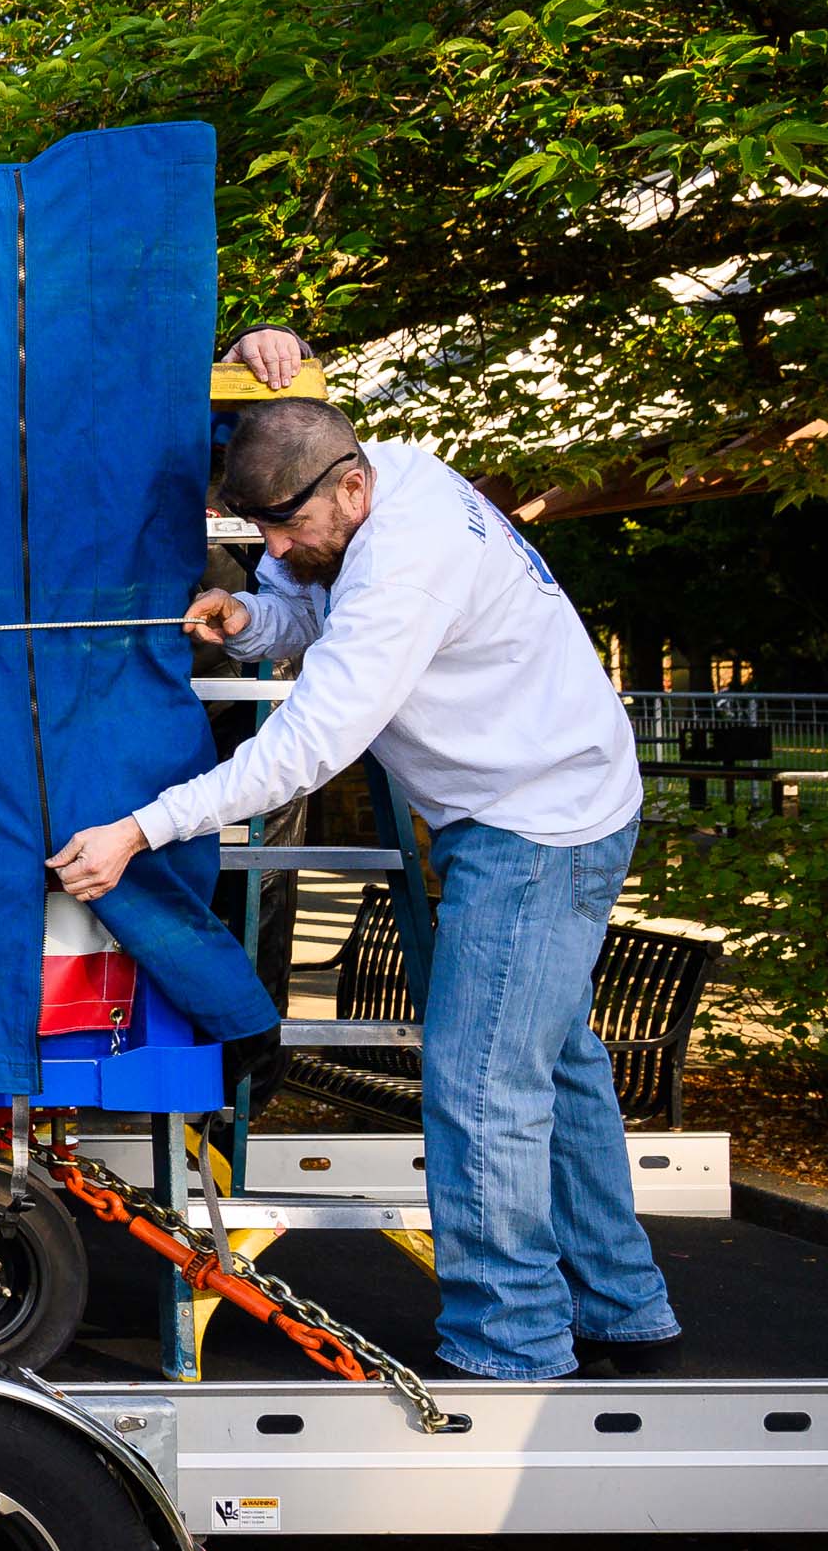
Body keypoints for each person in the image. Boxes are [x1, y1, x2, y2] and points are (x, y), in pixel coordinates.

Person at [47, 357, 680, 1385]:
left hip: (537, 828)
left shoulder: (408, 560)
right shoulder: (376, 483)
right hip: (538, 806)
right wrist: (252, 623)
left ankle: (508, 1344)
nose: (276, 552)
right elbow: (310, 608)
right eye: (259, 537)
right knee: (555, 1074)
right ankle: (623, 1304)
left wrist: (138, 829)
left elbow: (307, 745)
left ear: (346, 490)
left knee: (481, 1089)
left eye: (285, 532)